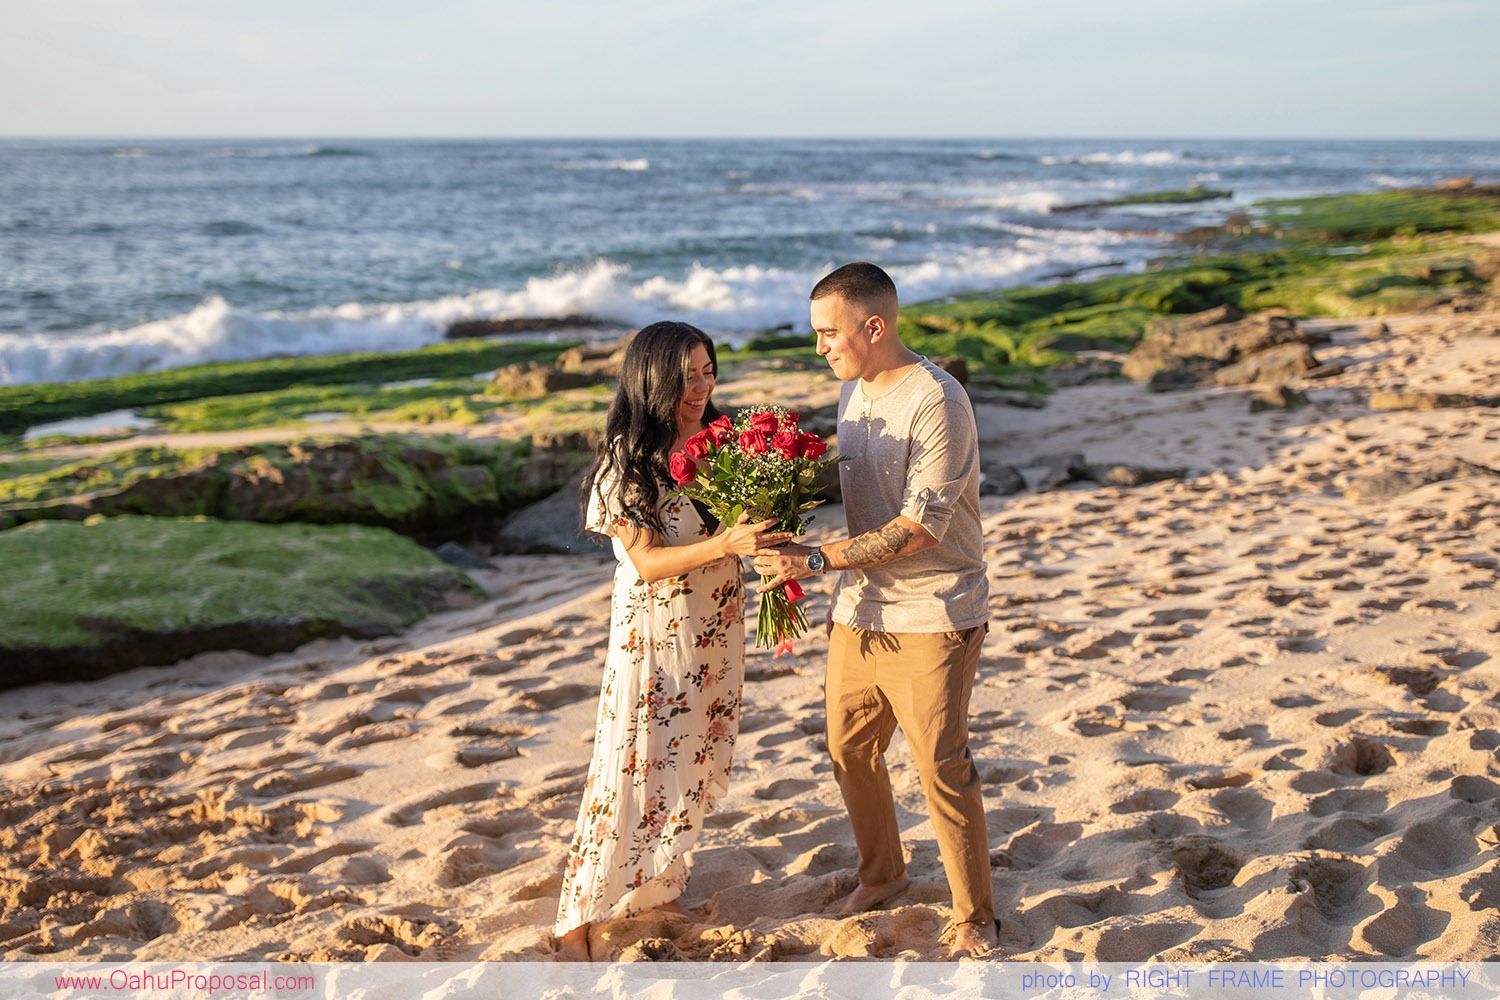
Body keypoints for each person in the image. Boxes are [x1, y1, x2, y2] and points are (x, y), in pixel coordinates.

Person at [753, 262, 998, 958]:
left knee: (940, 765)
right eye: (817, 335)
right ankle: (884, 875)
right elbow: (858, 504)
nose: (821, 347)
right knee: (848, 749)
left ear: (875, 326)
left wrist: (821, 560)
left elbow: (922, 527)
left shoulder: (938, 400)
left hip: (934, 608)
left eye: (830, 333)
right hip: (860, 607)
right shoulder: (855, 395)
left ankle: (975, 916)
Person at [554, 321, 788, 961]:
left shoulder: (724, 446)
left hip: (716, 627)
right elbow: (647, 563)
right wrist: (728, 544)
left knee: (691, 761)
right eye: (688, 375)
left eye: (708, 371)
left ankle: (657, 887)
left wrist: (770, 539)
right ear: (652, 378)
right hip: (655, 637)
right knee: (632, 767)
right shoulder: (626, 459)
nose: (701, 385)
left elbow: (747, 525)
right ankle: (581, 916)